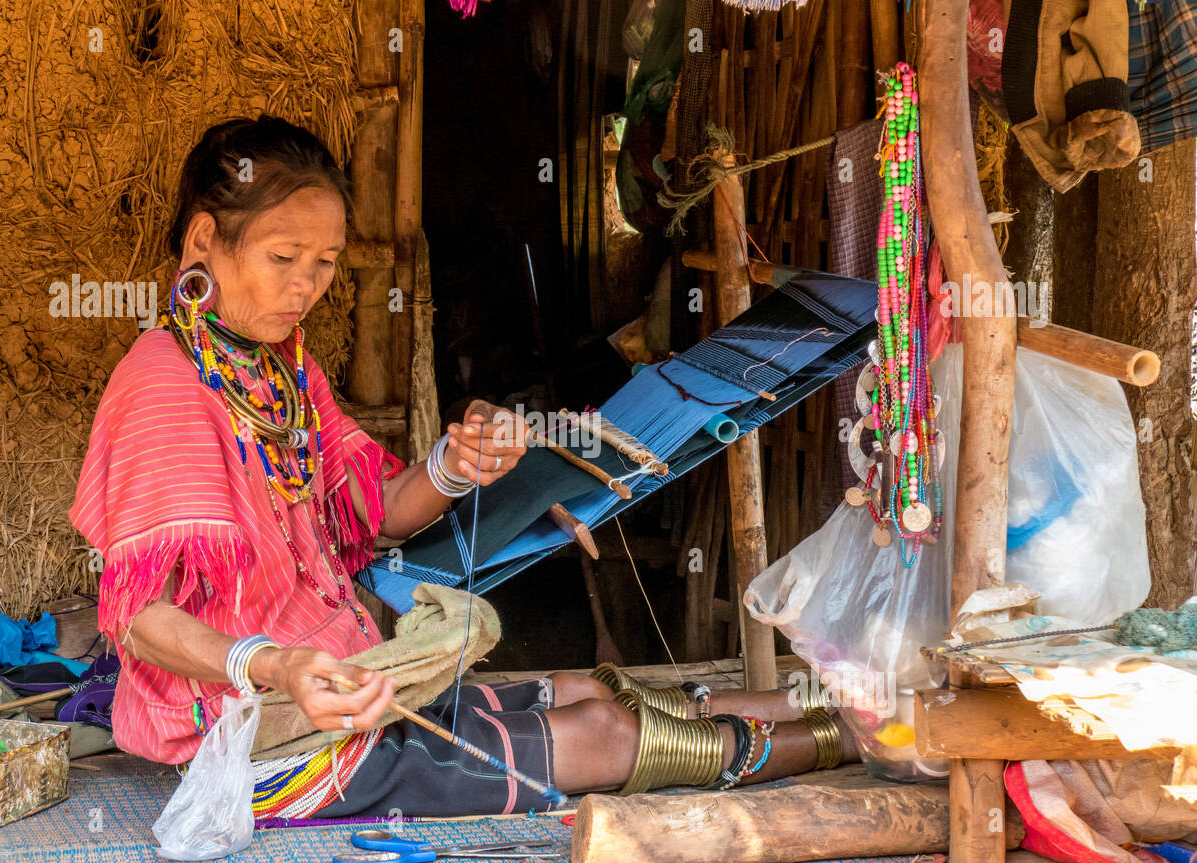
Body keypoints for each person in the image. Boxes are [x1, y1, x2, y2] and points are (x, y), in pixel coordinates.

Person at [70, 114, 860, 821]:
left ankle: (836, 701)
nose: (306, 287)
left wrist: (453, 465)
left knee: (588, 689)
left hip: (348, 688)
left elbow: (374, 513)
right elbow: (139, 620)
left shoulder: (278, 368)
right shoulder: (164, 388)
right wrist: (274, 664)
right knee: (600, 734)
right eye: (284, 257)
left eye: (325, 262)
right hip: (253, 744)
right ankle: (852, 741)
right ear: (205, 239)